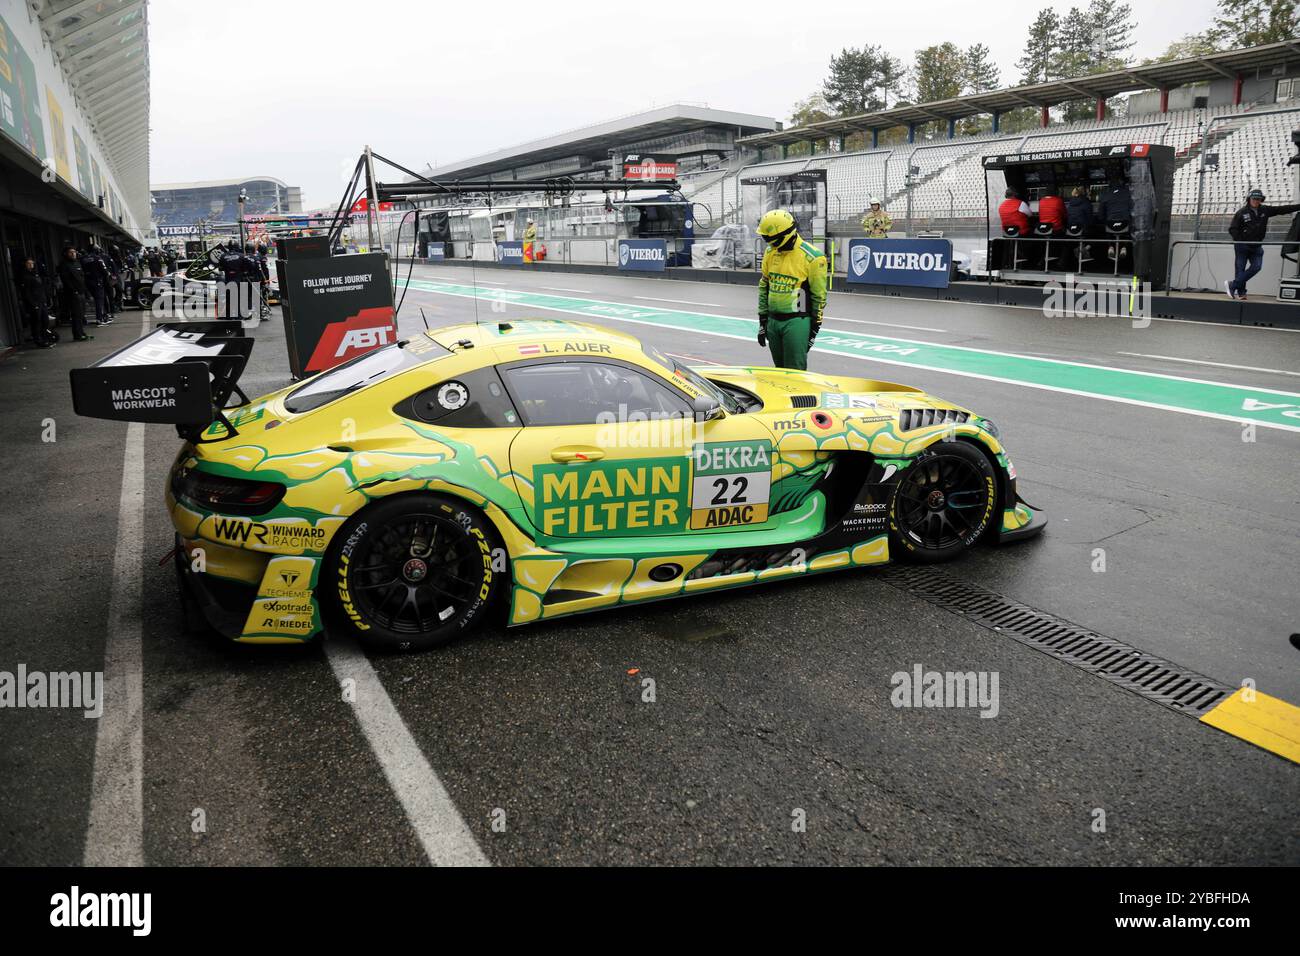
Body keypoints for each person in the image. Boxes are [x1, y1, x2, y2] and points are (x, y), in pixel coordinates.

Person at [756, 209, 827, 372]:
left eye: (770, 239)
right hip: (773, 321)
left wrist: (815, 327)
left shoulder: (814, 257)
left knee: (795, 372)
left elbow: (819, 296)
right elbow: (764, 285)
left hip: (796, 321)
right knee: (779, 371)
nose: (768, 243)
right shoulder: (770, 252)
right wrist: (762, 320)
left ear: (784, 235)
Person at [1226, 188, 1300, 300]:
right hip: (1242, 246)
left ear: (1262, 200)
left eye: (1259, 199)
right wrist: (1241, 240)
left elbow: (1282, 209)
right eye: (1254, 198)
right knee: (1240, 268)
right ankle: (1241, 293)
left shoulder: (1265, 210)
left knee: (1256, 267)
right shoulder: (1241, 212)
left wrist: (1298, 206)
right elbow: (1232, 229)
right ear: (1249, 199)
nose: (1256, 201)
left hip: (1257, 246)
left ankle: (1233, 285)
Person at [18, 257, 55, 348]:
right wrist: (33, 304)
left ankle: (44, 338)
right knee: (36, 322)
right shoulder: (25, 276)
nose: (31, 265)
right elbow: (26, 293)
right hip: (34, 303)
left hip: (42, 301)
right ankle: (38, 341)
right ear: (25, 265)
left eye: (32, 263)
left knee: (45, 321)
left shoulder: (36, 274)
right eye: (28, 263)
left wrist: (45, 300)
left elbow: (41, 288)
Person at [57, 246, 91, 341]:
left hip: (81, 292)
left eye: (74, 252)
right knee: (76, 315)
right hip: (73, 294)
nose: (73, 254)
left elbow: (82, 279)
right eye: (70, 252)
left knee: (81, 314)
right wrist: (74, 291)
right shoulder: (64, 265)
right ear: (66, 254)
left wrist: (86, 292)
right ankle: (77, 335)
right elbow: (66, 280)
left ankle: (81, 332)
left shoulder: (77, 263)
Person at [82, 245, 112, 326]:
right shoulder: (98, 258)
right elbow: (105, 271)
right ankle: (100, 319)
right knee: (100, 300)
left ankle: (103, 316)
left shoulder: (84, 259)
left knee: (95, 300)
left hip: (87, 282)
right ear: (96, 250)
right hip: (97, 281)